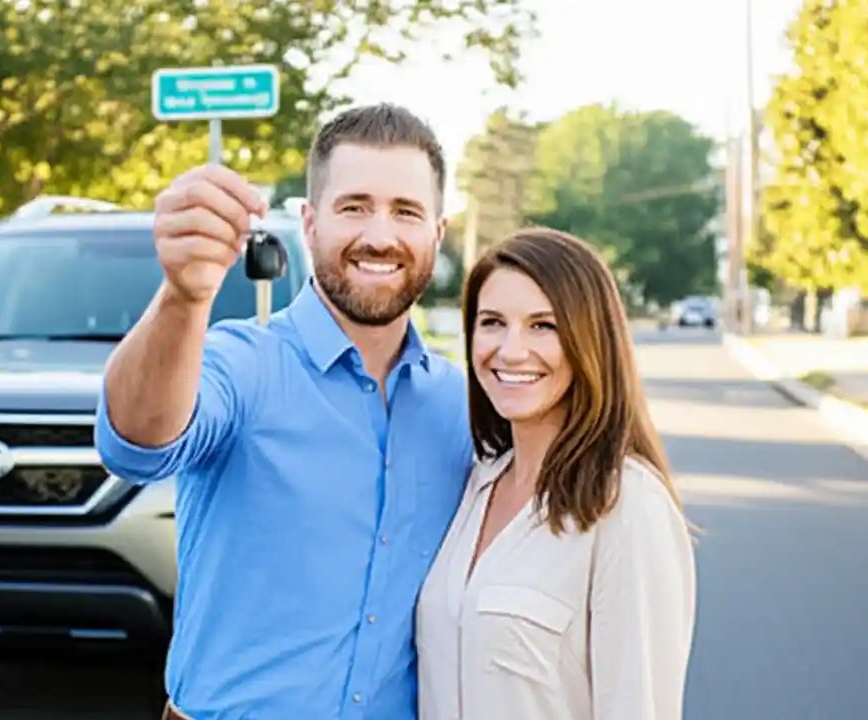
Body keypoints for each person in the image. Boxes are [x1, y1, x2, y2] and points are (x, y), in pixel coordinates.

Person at [95, 103, 473, 719]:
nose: (379, 235)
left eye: (405, 211)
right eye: (354, 206)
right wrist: (183, 296)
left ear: (437, 231)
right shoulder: (244, 364)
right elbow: (136, 443)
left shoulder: (461, 407)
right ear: (309, 222)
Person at [416, 227, 698, 719]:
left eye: (543, 326)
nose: (510, 350)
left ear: (590, 341)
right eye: (492, 322)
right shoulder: (476, 485)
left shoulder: (628, 507)